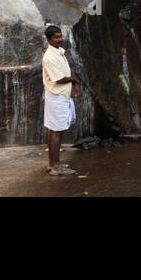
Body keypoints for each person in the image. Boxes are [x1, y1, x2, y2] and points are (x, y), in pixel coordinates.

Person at [42, 25, 81, 176]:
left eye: (60, 36)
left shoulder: (58, 52)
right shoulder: (50, 57)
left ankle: (53, 164)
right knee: (56, 132)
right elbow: (58, 79)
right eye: (56, 37)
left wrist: (74, 83)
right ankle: (55, 166)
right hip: (57, 97)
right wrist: (74, 80)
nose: (60, 39)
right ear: (49, 39)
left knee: (54, 131)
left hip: (59, 97)